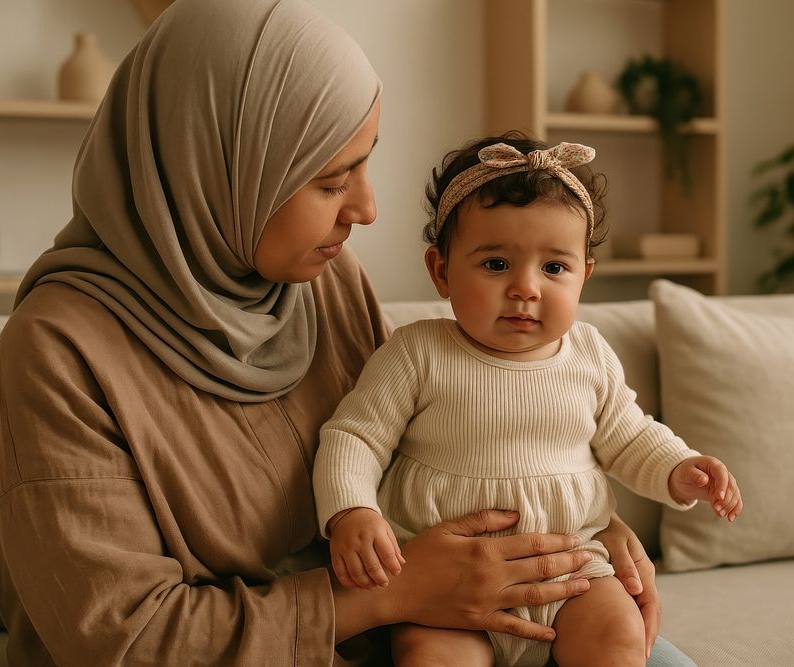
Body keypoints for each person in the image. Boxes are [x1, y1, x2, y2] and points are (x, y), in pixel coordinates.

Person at [0, 0, 699, 664]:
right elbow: (125, 639)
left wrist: (579, 533)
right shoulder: (57, 354)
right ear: (218, 167)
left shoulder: (322, 280)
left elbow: (434, 444)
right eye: (329, 181)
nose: (366, 208)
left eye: (366, 162)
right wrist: (391, 596)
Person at [313, 134, 743, 667]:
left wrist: (679, 468)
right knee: (433, 658)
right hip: (446, 589)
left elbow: (630, 435)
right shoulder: (417, 352)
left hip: (573, 572)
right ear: (441, 270)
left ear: (584, 276)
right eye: (496, 264)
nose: (526, 288)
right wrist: (351, 510)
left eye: (554, 268)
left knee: (618, 638)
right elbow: (355, 437)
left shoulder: (589, 353)